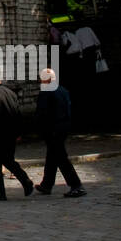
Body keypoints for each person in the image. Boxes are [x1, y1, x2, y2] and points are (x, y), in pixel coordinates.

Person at [0, 66, 33, 200]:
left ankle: (0, 191)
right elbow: (18, 114)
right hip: (10, 134)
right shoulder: (11, 93)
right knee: (8, 160)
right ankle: (25, 181)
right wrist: (18, 132)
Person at [34, 67, 86, 197]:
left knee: (61, 158)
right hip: (63, 127)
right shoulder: (63, 90)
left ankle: (76, 185)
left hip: (52, 129)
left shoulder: (46, 92)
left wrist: (37, 128)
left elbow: (42, 113)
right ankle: (47, 184)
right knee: (52, 156)